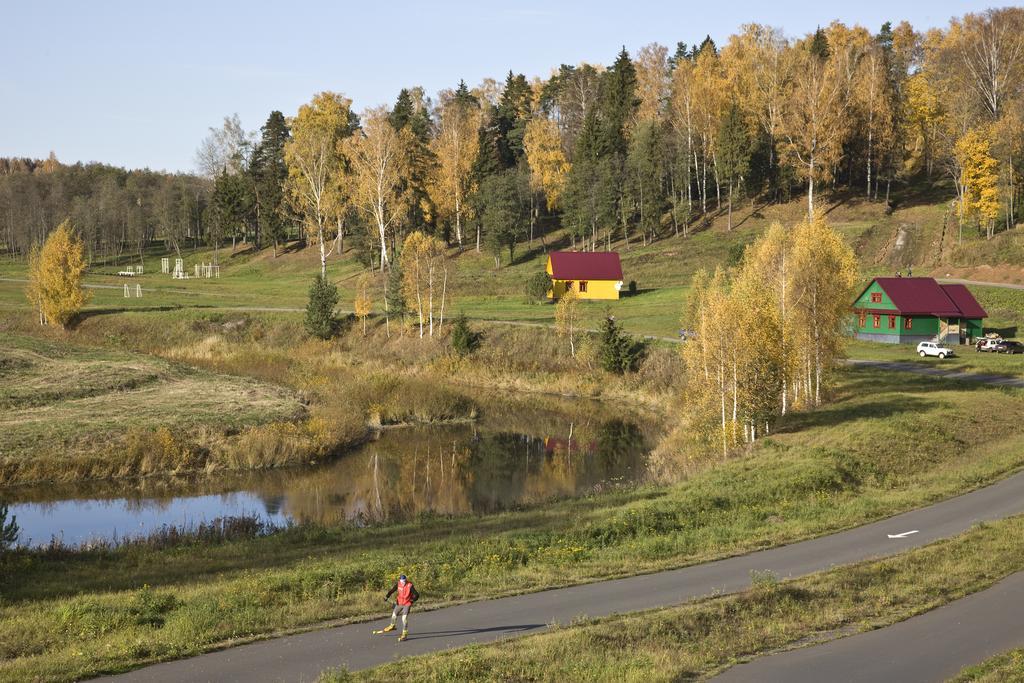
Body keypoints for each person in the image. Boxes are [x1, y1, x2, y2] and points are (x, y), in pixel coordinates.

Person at [376, 574, 419, 641]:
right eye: (402, 581)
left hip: (407, 604)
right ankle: (392, 626)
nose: (403, 583)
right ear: (400, 580)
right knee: (394, 615)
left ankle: (404, 634)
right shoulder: (398, 584)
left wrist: (412, 600)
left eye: (404, 581)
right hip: (399, 603)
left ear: (406, 580)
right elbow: (392, 590)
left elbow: (417, 595)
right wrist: (387, 596)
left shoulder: (410, 585)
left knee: (404, 618)